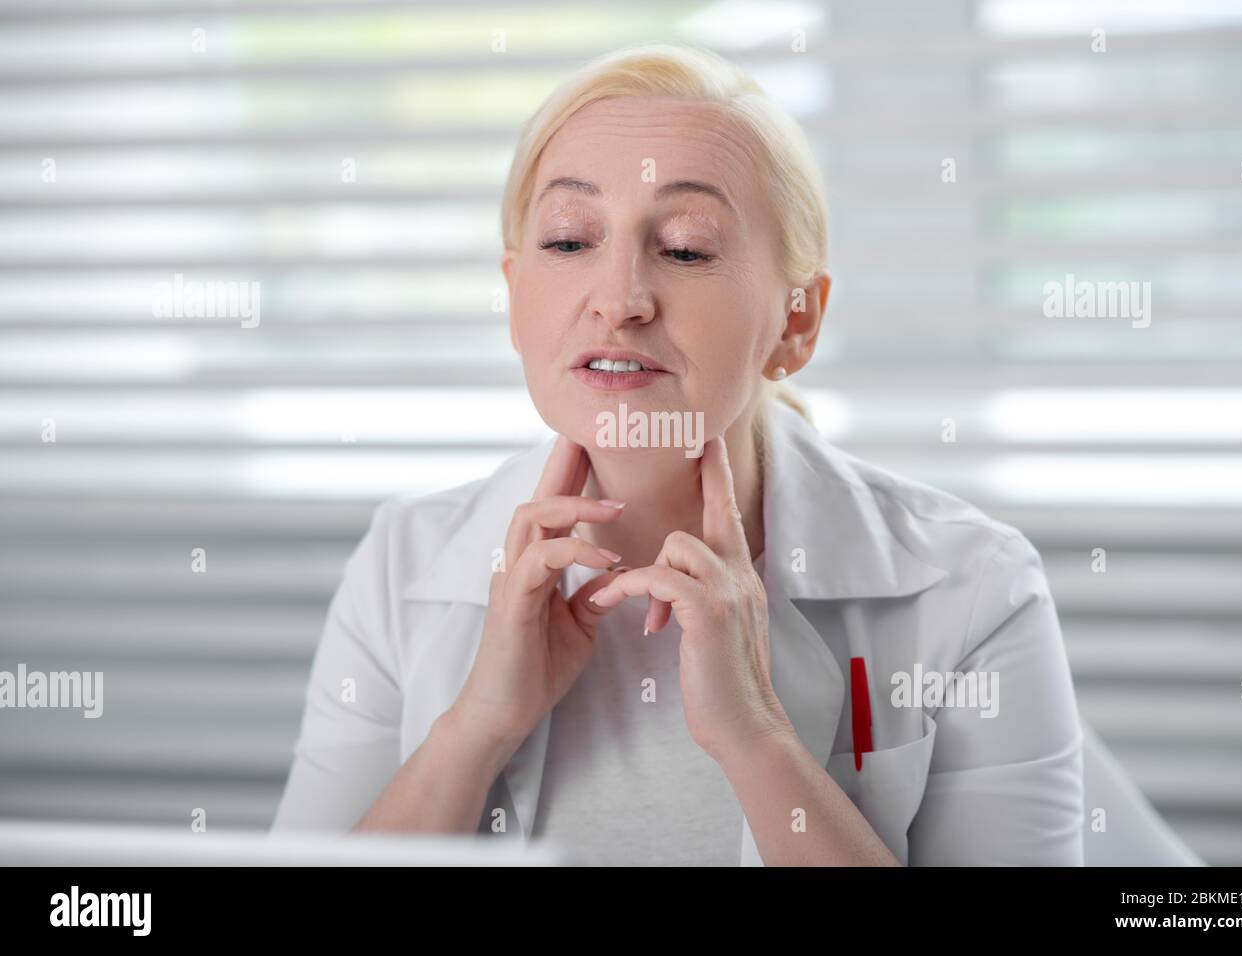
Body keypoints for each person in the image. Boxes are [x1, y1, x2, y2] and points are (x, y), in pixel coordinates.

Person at [271, 42, 1084, 866]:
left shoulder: (975, 590)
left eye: (687, 249)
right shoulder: (401, 564)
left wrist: (758, 740)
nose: (619, 301)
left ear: (796, 321)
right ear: (515, 298)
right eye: (568, 241)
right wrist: (476, 725)